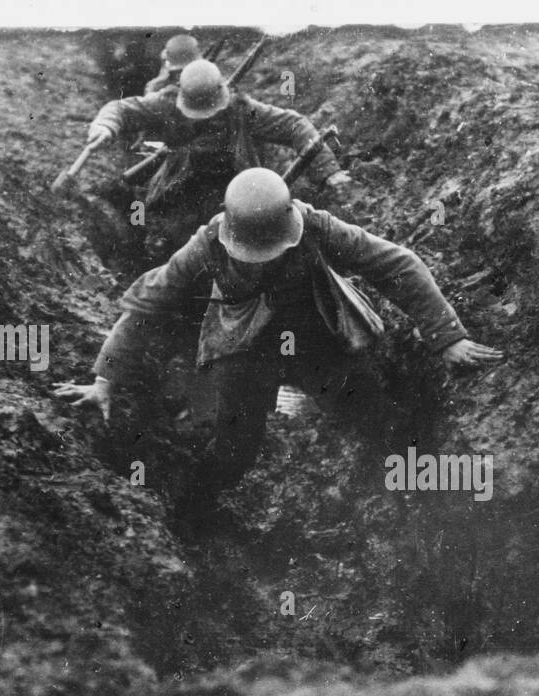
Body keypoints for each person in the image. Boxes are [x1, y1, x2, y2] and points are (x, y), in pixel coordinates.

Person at [54, 168, 502, 501]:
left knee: (375, 418)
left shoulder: (315, 226)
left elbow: (396, 263)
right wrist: (104, 380)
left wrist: (447, 337)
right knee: (234, 449)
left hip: (316, 334)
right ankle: (192, 515)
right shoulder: (207, 244)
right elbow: (145, 305)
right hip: (244, 343)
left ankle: (402, 500)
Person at [78, 59, 352, 260]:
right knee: (169, 248)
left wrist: (329, 172)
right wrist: (105, 127)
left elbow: (295, 125)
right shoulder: (165, 104)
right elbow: (120, 109)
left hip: (238, 188)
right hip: (180, 188)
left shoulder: (243, 111)